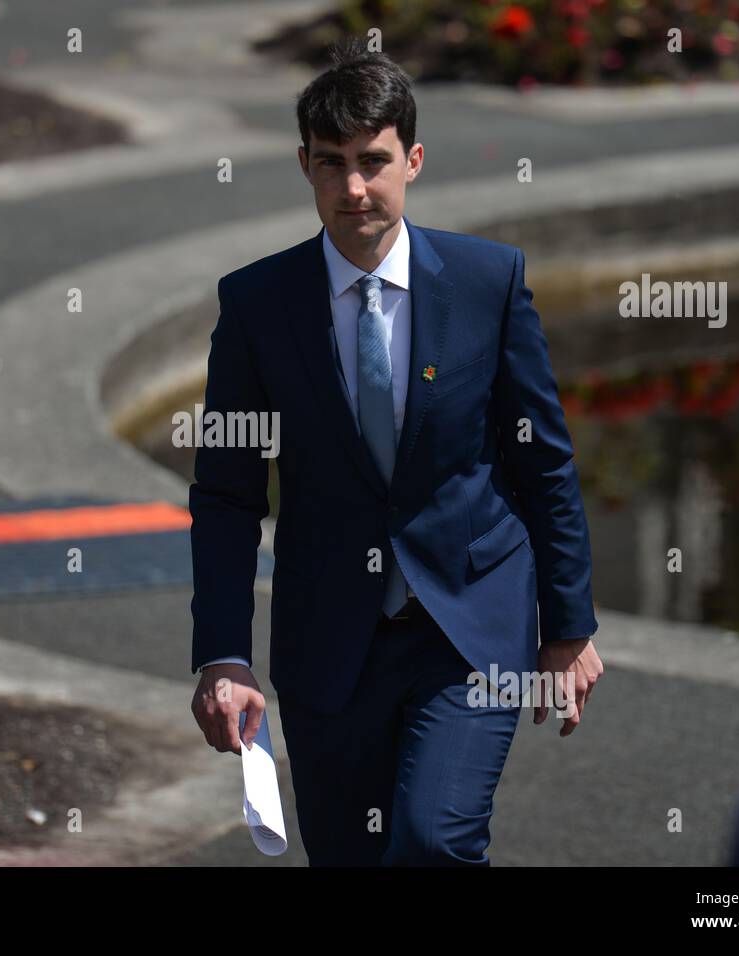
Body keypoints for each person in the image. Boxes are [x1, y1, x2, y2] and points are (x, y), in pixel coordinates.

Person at [188, 40, 604, 866]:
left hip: (470, 624)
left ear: (412, 161)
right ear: (304, 165)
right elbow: (229, 493)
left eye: (373, 162)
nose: (353, 188)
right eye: (332, 164)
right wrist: (224, 654)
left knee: (429, 841)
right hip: (329, 638)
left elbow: (541, 462)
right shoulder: (257, 304)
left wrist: (568, 624)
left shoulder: (489, 284)